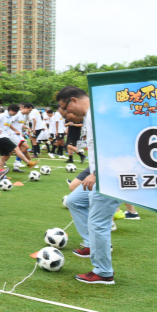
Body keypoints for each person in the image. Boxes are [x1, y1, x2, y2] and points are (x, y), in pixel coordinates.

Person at [57, 86, 119, 284]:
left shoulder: (98, 114)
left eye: (65, 108)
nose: (67, 114)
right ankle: (92, 245)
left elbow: (113, 144)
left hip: (108, 175)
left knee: (98, 223)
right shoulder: (91, 115)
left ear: (73, 100)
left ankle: (103, 272)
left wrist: (95, 173)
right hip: (100, 173)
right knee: (74, 200)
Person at [0, 104, 39, 172]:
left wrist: (15, 130)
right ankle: (28, 163)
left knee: (4, 155)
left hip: (5, 136)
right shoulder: (2, 115)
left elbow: (9, 125)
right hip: (0, 137)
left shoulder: (9, 117)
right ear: (11, 110)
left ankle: (0, 171)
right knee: (16, 148)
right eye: (15, 112)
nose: (15, 114)